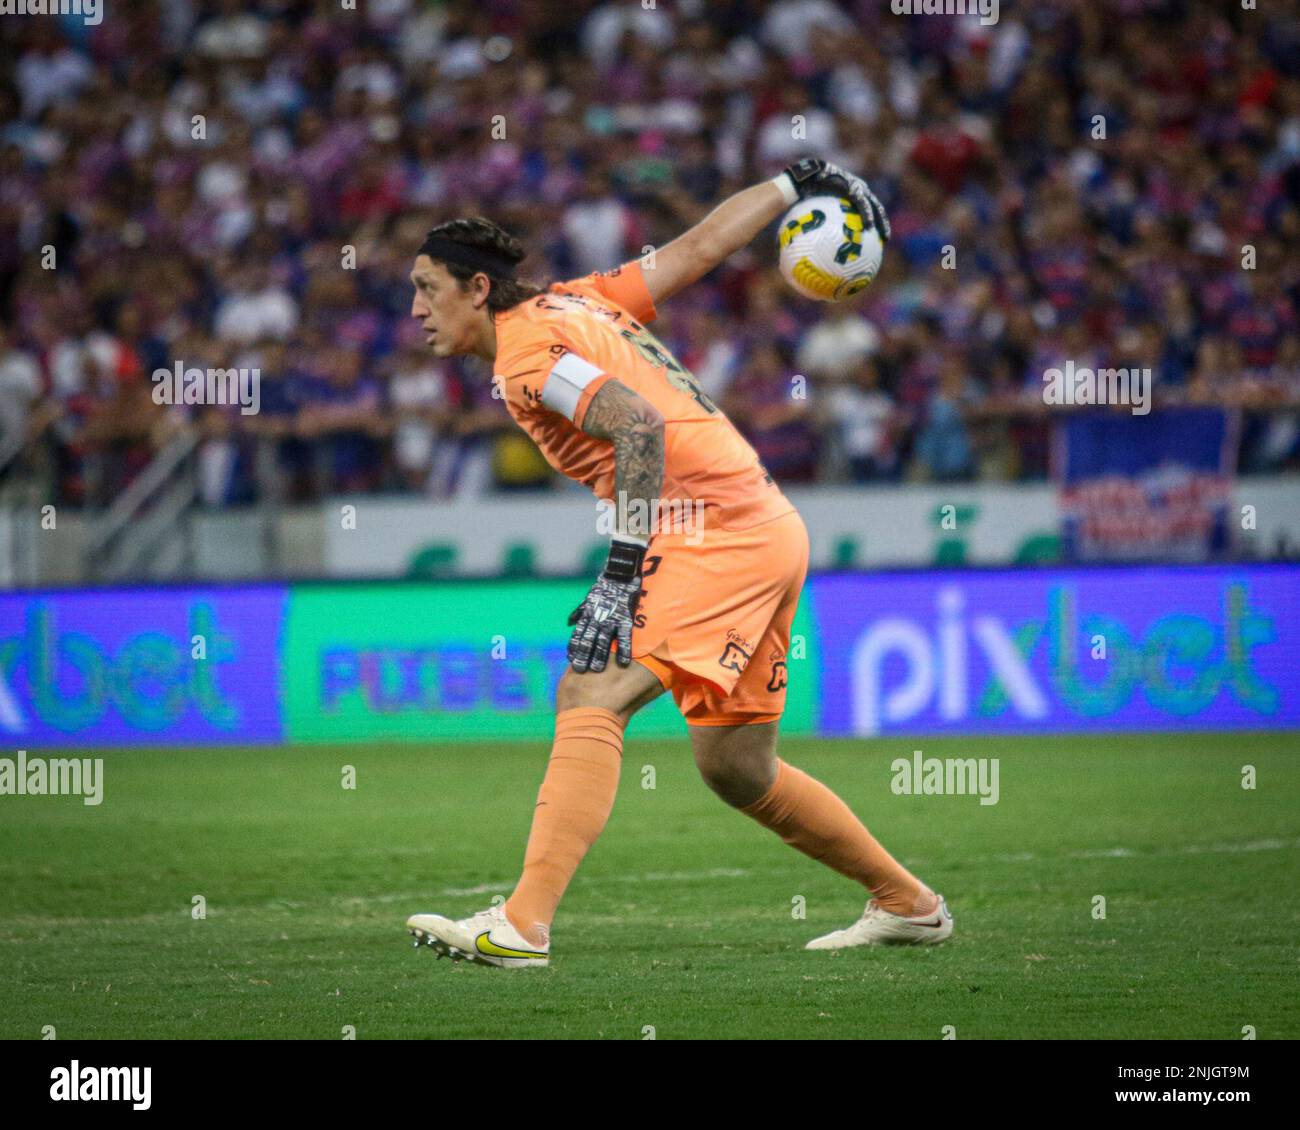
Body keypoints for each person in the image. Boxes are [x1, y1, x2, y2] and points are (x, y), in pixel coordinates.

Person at [404, 159, 952, 967]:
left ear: (477, 289)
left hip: (717, 532)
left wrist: (619, 576)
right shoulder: (580, 299)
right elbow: (696, 250)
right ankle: (910, 904)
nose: (415, 310)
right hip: (764, 522)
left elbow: (638, 429)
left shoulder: (526, 356)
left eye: (426, 289)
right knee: (735, 766)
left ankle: (522, 925)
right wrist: (792, 185)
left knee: (592, 688)